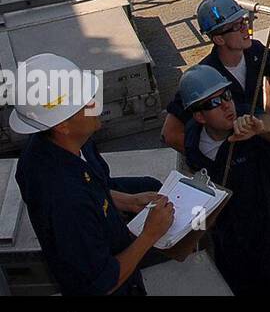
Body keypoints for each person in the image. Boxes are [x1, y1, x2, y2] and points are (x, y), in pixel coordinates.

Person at [13, 53, 175, 296]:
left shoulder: (73, 144)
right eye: (86, 101)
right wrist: (149, 235)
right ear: (62, 125)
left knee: (149, 184)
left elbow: (93, 188)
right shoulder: (63, 200)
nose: (95, 103)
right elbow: (101, 282)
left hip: (106, 239)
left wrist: (129, 201)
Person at [178, 64, 270, 296]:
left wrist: (261, 128)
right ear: (199, 116)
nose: (226, 105)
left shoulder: (250, 121)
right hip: (231, 242)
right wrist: (196, 238)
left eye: (226, 95)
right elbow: (199, 193)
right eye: (214, 102)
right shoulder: (193, 142)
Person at [160, 0, 270, 153]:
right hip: (233, 155)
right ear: (219, 39)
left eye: (244, 21)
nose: (245, 29)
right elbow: (170, 134)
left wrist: (268, 116)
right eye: (236, 26)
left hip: (260, 146)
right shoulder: (202, 77)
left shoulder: (256, 52)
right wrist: (211, 160)